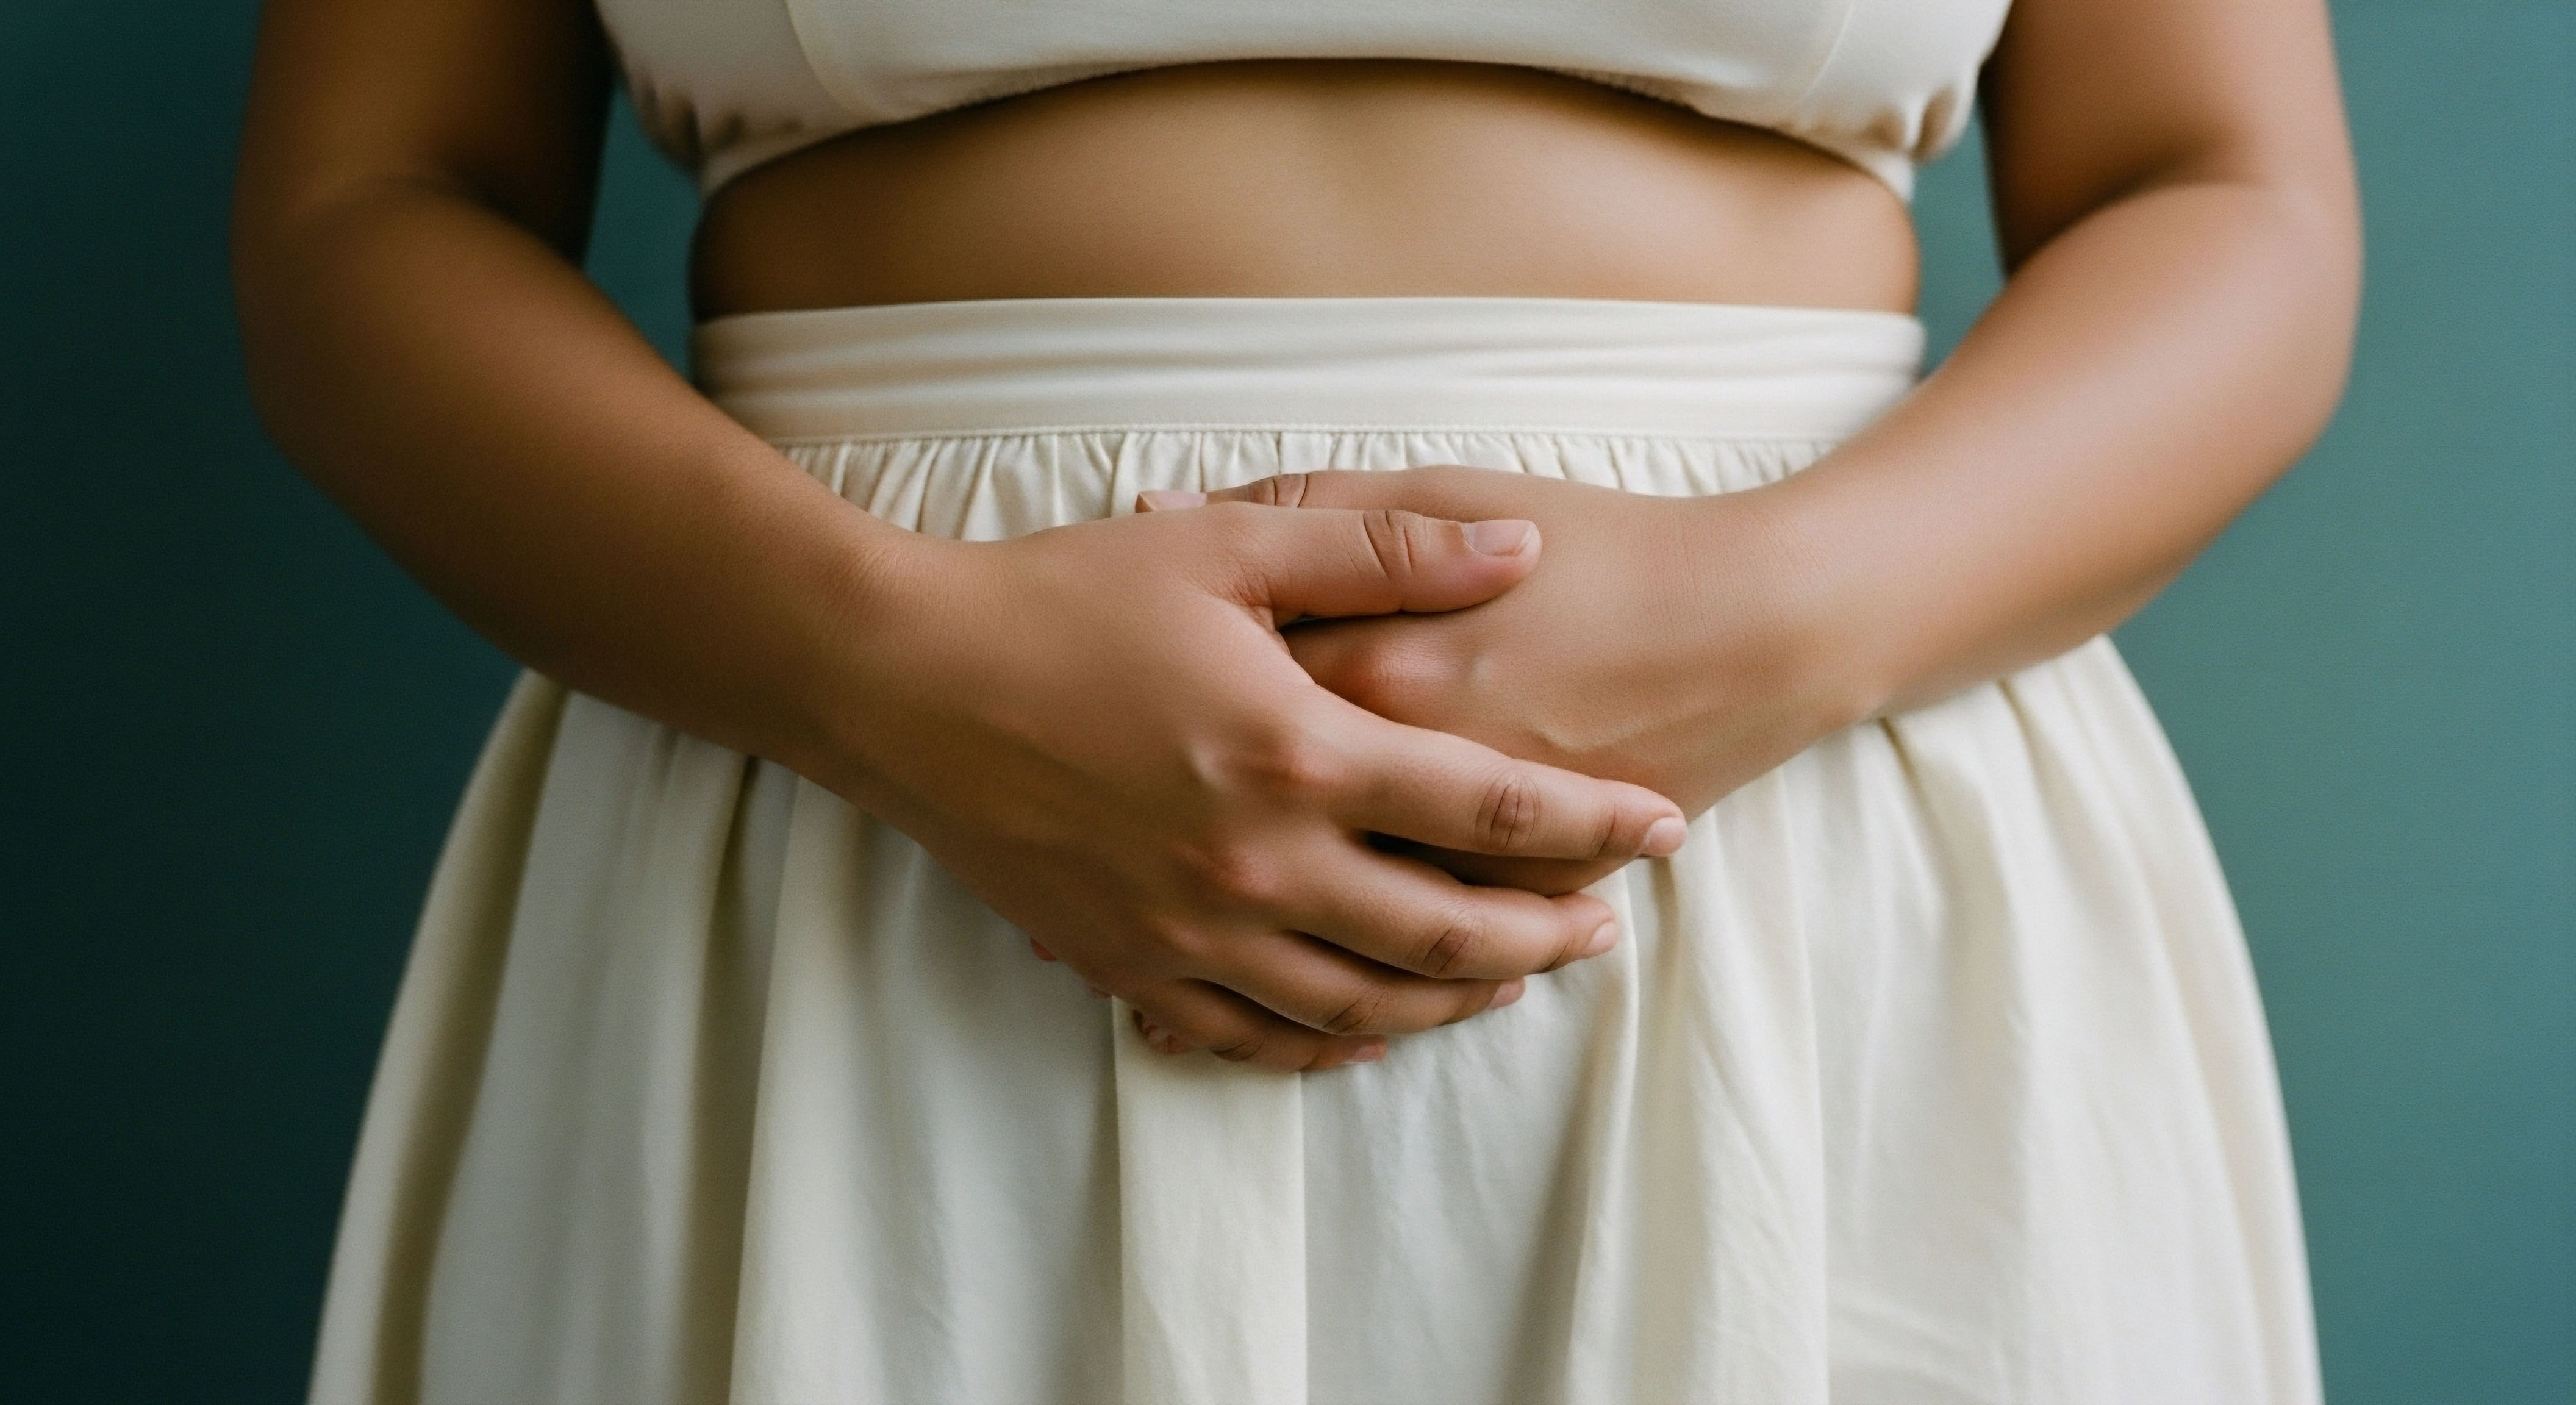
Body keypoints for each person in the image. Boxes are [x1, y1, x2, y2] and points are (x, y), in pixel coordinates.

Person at [232, 0, 2358, 1399]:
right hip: (858, 828)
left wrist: (1768, 618)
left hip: (1804, 877)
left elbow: (2228, 191)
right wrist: (890, 667)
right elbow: (366, 210)